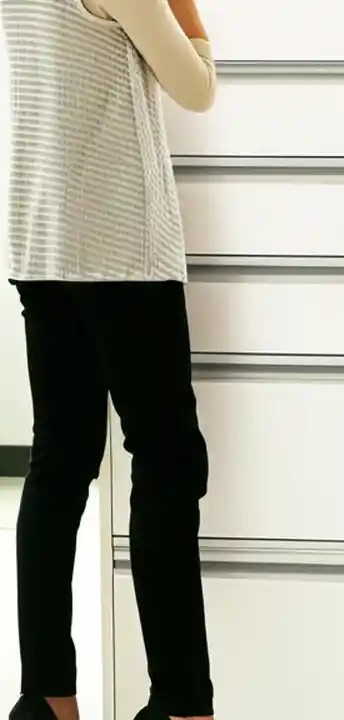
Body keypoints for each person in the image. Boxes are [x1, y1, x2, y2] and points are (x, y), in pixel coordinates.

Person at [2, 0, 218, 718]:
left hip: (43, 242)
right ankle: (182, 704)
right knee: (167, 466)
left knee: (58, 466)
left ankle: (47, 701)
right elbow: (197, 88)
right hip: (123, 254)